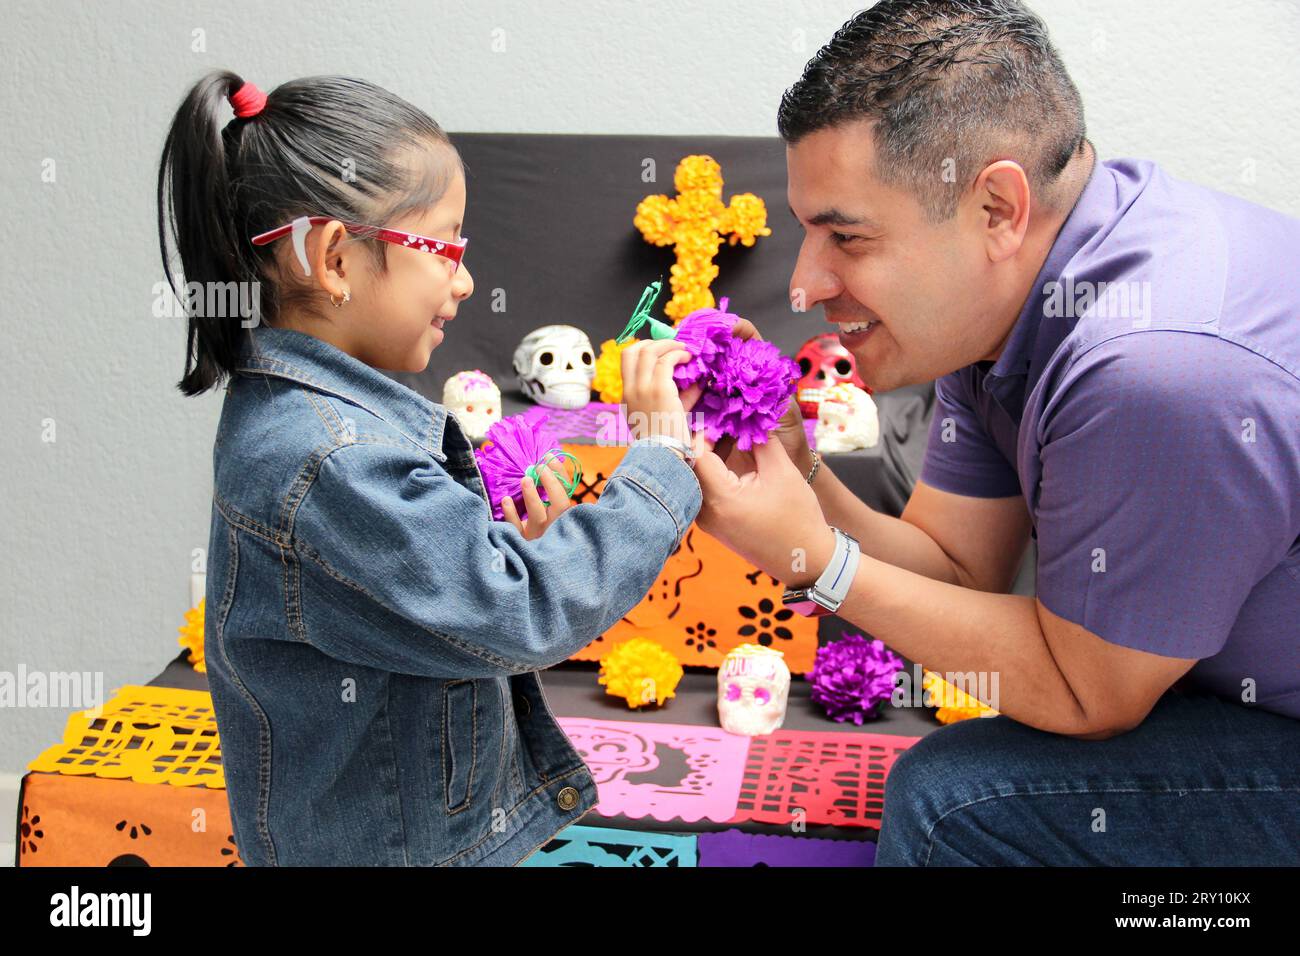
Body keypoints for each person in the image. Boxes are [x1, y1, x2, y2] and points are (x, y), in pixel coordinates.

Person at [691, 0, 1300, 864]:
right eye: (805, 231)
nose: (803, 283)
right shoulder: (1012, 302)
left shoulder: (1155, 373)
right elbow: (955, 570)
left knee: (955, 806)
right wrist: (804, 478)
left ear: (997, 208)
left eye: (847, 237)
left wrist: (816, 564)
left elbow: (1089, 695)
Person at [157, 70, 704, 865]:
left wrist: (510, 558)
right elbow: (521, 617)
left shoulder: (323, 428)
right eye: (446, 247)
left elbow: (427, 600)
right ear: (334, 259)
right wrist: (661, 455)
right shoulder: (331, 458)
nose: (466, 279)